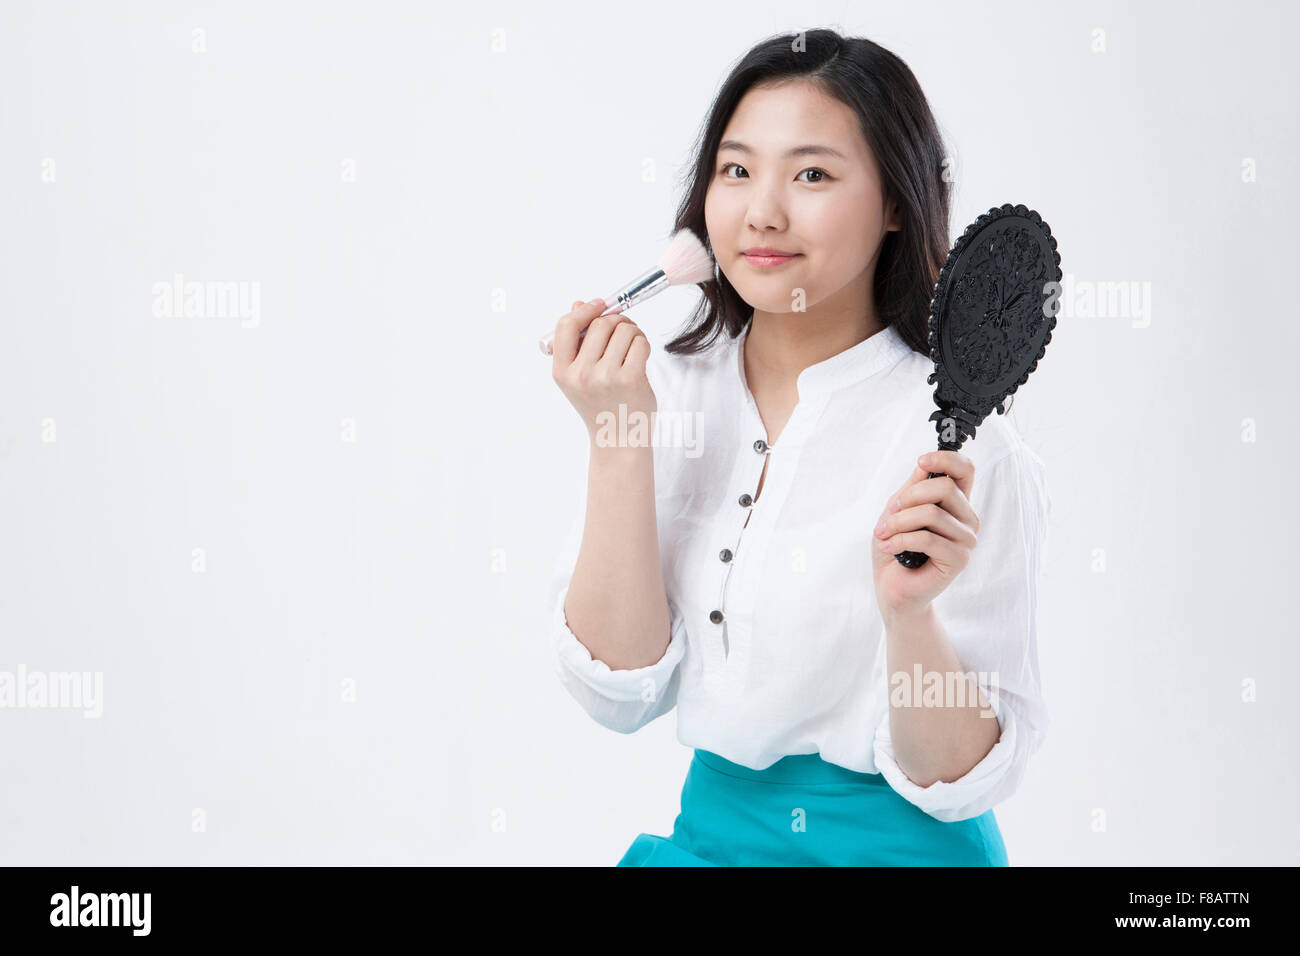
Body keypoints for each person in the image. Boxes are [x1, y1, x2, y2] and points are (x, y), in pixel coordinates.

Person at [546, 29, 1050, 866]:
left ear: (896, 201)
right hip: (709, 839)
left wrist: (910, 613)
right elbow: (620, 689)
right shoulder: (659, 393)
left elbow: (962, 778)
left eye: (811, 173)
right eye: (736, 170)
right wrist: (616, 439)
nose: (762, 211)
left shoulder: (971, 449)